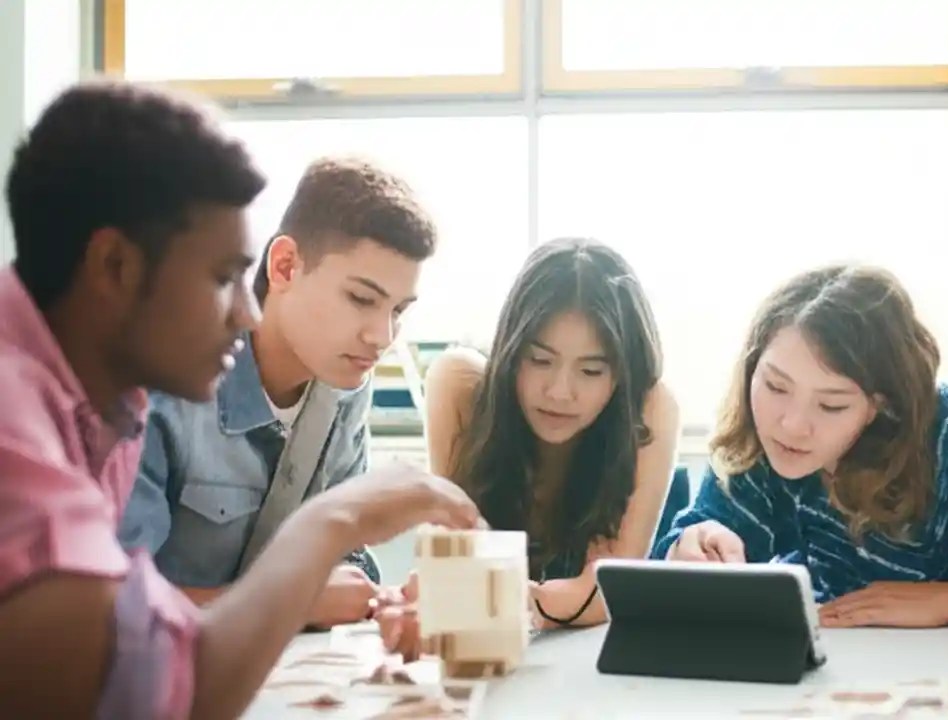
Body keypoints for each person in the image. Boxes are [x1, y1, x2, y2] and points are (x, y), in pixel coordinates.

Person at [0, 80, 481, 720]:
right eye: (224, 278)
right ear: (114, 267)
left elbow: (144, 645)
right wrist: (332, 521)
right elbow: (162, 694)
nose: (246, 311)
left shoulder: (114, 408)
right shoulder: (13, 424)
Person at [652, 265, 948, 632]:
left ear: (882, 405)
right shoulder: (760, 437)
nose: (791, 425)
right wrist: (692, 549)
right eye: (775, 385)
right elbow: (685, 553)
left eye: (831, 405)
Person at [118, 156, 435, 629]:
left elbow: (344, 548)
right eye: (362, 300)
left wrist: (380, 598)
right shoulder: (164, 388)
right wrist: (290, 602)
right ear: (285, 266)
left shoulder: (344, 385)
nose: (382, 336)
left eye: (398, 310)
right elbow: (112, 604)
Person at [378, 238, 680, 655]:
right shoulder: (461, 387)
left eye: (591, 370)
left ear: (622, 376)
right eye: (539, 360)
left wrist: (508, 599)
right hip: (482, 662)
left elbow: (607, 587)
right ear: (510, 349)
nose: (559, 391)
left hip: (588, 670)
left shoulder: (649, 408)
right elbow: (452, 565)